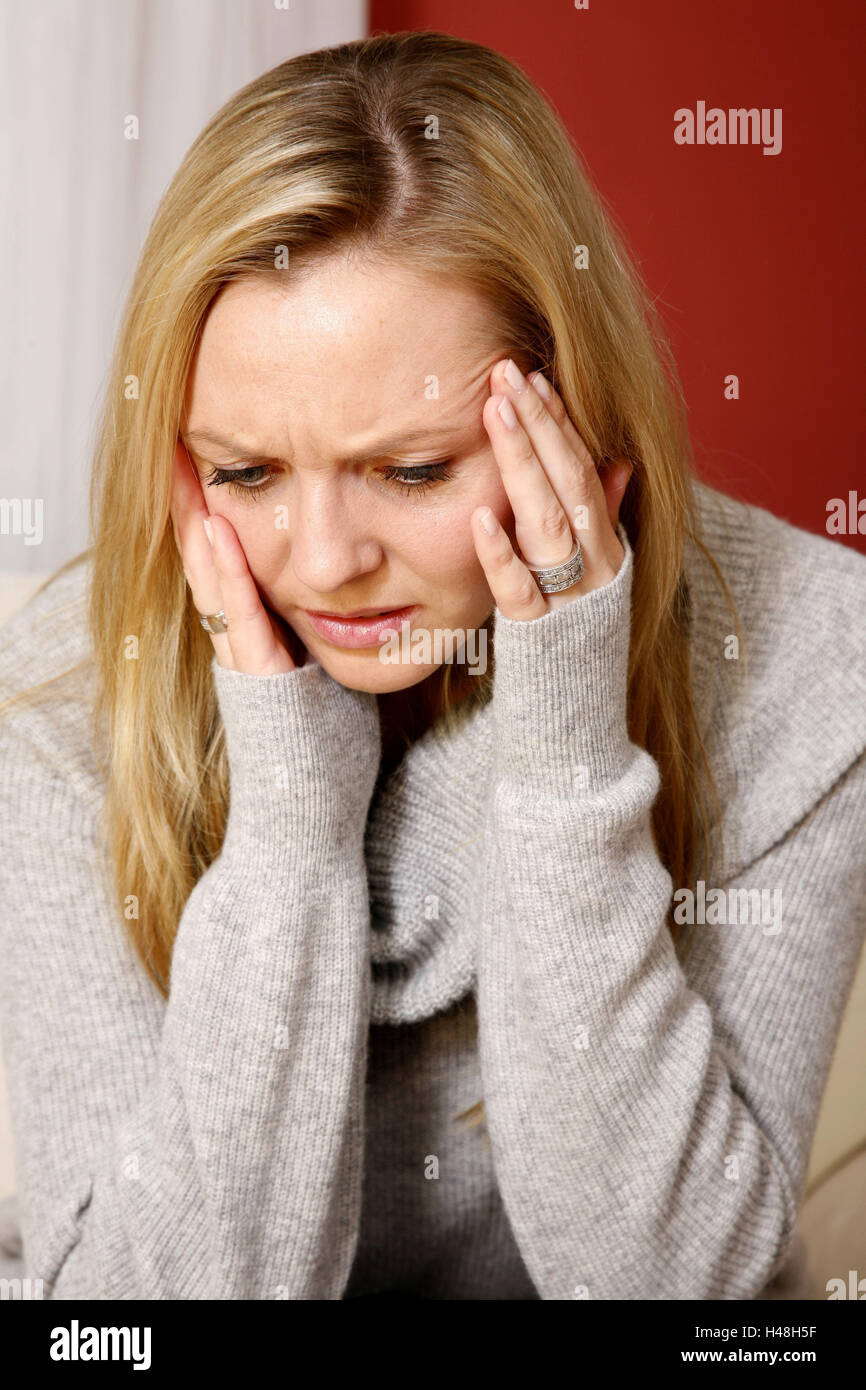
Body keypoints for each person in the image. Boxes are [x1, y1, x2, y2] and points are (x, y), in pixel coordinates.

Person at [0, 30, 864, 1302]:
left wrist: (564, 738)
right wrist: (290, 811)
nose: (325, 560)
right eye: (243, 472)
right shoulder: (63, 684)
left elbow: (668, 1292)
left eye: (409, 470)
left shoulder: (807, 650)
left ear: (581, 420)